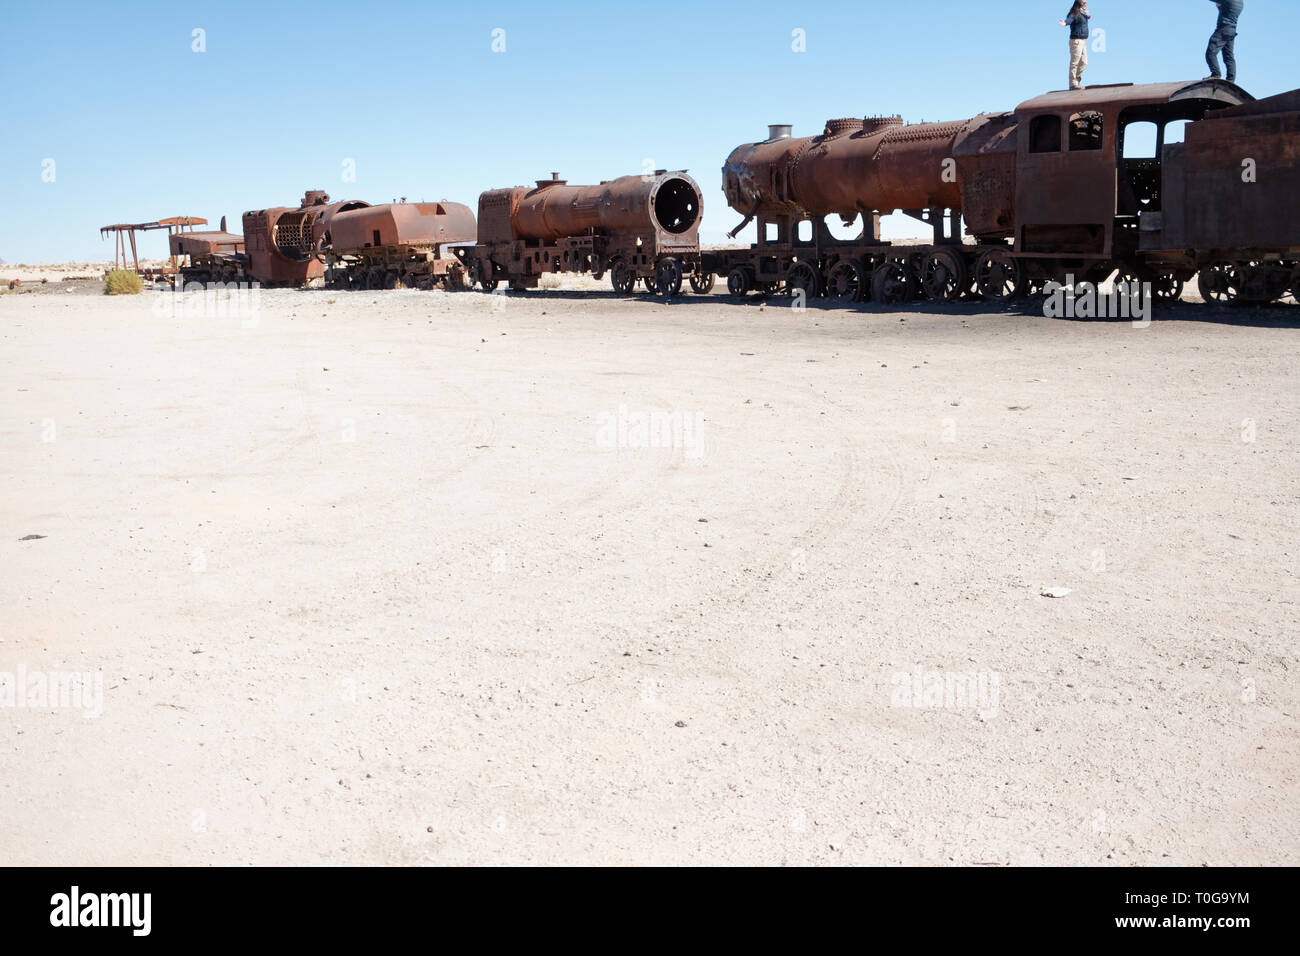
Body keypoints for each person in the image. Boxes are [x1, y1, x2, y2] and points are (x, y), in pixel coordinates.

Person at [1206, 1, 1244, 83]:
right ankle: (1231, 80)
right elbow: (1227, 12)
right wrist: (1220, 7)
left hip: (1223, 29)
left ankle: (1216, 74)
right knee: (1228, 57)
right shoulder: (1240, 2)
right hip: (1231, 30)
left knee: (1210, 53)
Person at [1059, 1, 1091, 91]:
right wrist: (1065, 23)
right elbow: (1069, 20)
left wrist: (1086, 13)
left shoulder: (1084, 13)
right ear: (1079, 3)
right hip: (1076, 41)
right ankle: (1073, 84)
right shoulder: (1074, 13)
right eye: (1084, 3)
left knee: (1084, 62)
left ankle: (1076, 80)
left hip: (1083, 41)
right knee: (1075, 62)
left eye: (1086, 3)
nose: (1085, 4)